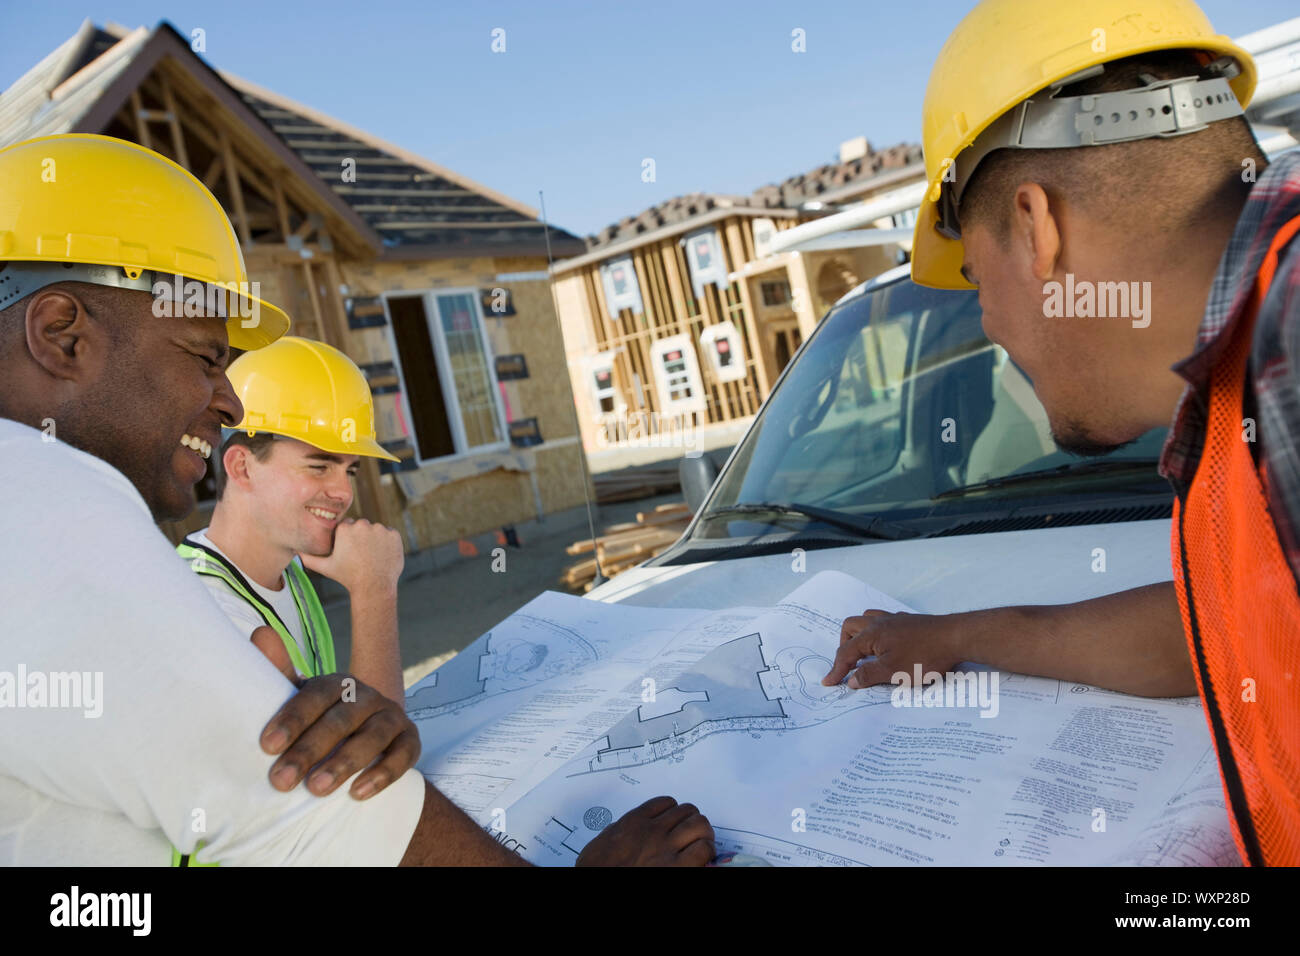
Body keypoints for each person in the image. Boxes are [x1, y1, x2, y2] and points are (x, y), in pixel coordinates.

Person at [0, 133, 714, 865]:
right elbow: (319, 826)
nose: (227, 398)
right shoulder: (46, 500)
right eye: (205, 356)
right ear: (61, 336)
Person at [824, 0, 1298, 866]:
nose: (989, 320)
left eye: (975, 273)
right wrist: (959, 637)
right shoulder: (1244, 381)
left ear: (1037, 228)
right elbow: (1227, 628)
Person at [179, 337, 406, 703]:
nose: (344, 492)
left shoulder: (287, 571)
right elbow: (372, 756)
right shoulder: (211, 613)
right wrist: (375, 591)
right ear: (242, 467)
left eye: (349, 471)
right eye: (319, 467)